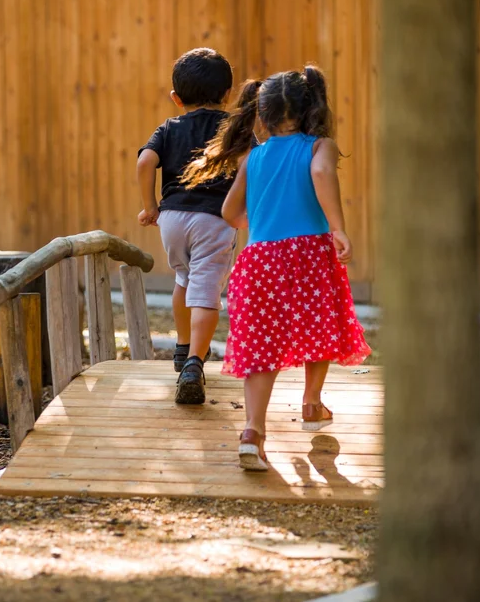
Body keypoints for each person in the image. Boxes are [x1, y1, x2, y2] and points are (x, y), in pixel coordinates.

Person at [184, 66, 371, 471]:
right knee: (318, 323)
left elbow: (230, 212)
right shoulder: (321, 146)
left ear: (261, 115)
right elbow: (321, 173)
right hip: (309, 253)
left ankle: (253, 432)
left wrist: (264, 220)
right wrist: (337, 229)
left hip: (260, 259)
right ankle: (311, 401)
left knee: (260, 347)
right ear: (309, 110)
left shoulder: (254, 156)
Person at [136, 48, 245, 405]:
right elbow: (252, 164)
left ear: (176, 98)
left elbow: (145, 161)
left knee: (184, 279)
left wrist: (151, 206)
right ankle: (195, 364)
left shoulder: (168, 127)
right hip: (214, 219)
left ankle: (182, 349)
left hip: (172, 219)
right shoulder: (233, 128)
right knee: (207, 290)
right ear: (227, 94)